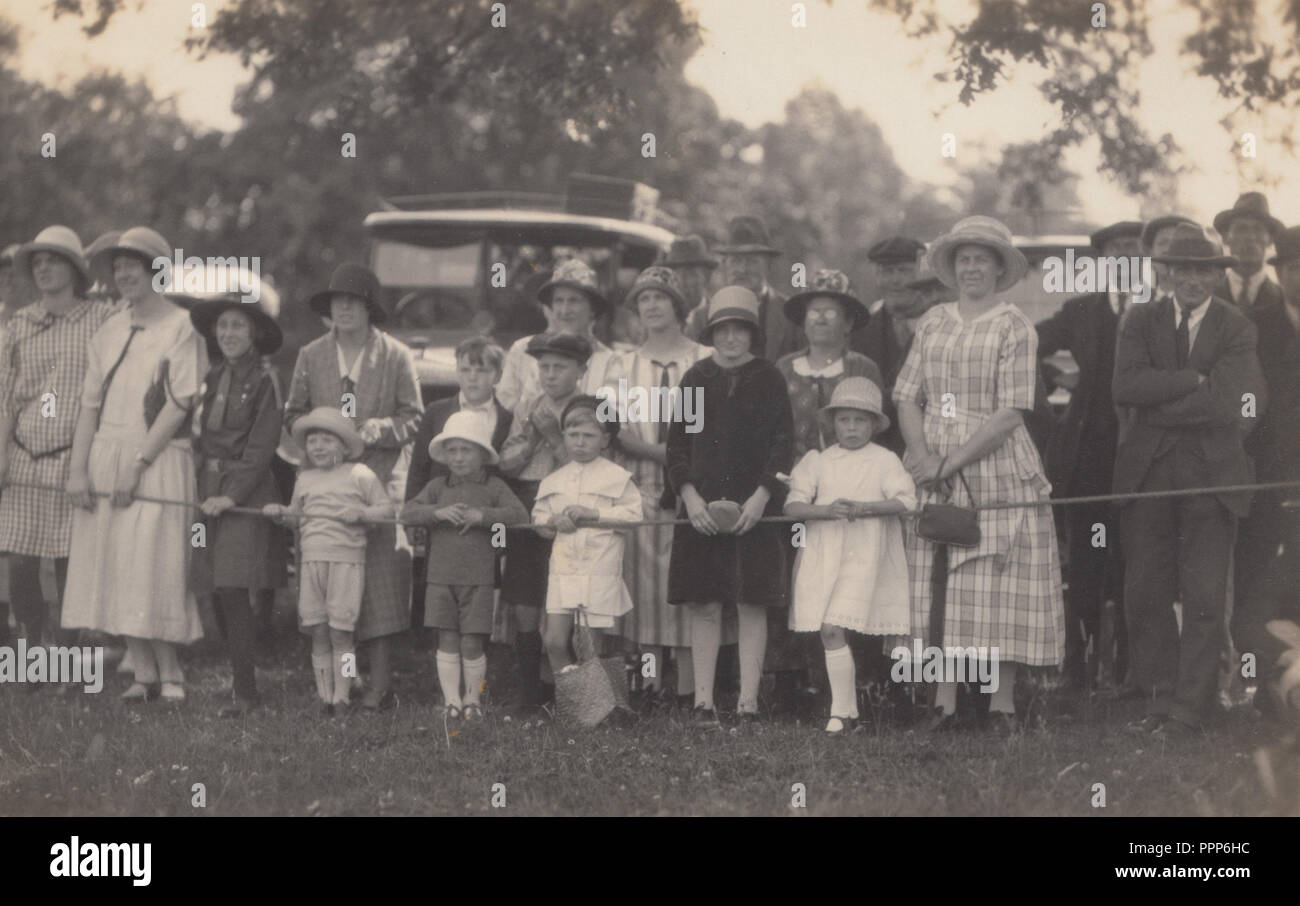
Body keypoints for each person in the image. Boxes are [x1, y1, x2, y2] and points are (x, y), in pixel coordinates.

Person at [894, 215, 1065, 733]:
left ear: (997, 268)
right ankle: (944, 703)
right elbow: (905, 395)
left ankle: (1002, 705)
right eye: (963, 259)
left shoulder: (1014, 325)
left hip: (993, 458)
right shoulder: (934, 321)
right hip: (932, 459)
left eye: (981, 260)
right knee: (937, 573)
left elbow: (1012, 411)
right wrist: (923, 456)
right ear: (953, 267)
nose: (971, 268)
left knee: (997, 579)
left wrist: (952, 461)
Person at [1112, 231, 1263, 737]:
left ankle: (1192, 709)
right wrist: (1192, 381)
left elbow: (1231, 402)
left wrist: (1161, 403)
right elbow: (1125, 386)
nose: (1193, 279)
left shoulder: (1237, 325)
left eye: (1204, 270)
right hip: (1148, 474)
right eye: (1183, 269)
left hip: (1212, 476)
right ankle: (1158, 700)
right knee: (1146, 591)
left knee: (1202, 595)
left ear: (1218, 275)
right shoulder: (1141, 319)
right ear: (1167, 272)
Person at [62, 226, 208, 702]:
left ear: (158, 272)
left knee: (155, 560)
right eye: (118, 266)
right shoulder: (108, 329)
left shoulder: (184, 327)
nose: (124, 274)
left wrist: (138, 463)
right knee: (116, 562)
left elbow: (180, 402)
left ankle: (172, 673)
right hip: (107, 450)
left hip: (159, 456)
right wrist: (78, 470)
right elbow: (89, 406)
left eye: (135, 266)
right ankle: (142, 670)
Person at [285, 262, 423, 710]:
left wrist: (380, 428)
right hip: (327, 488)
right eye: (335, 302)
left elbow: (414, 417)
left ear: (369, 309)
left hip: (379, 481)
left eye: (353, 301)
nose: (342, 309)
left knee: (380, 585)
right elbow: (292, 416)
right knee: (328, 588)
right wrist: (323, 434)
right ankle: (345, 682)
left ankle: (380, 685)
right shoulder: (311, 355)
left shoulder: (396, 355)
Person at [667, 286, 794, 726]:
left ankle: (748, 703)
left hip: (753, 511)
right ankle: (703, 702)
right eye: (723, 330)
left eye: (740, 330)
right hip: (700, 509)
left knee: (751, 603)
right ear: (712, 334)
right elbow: (677, 446)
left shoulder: (769, 378)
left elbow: (782, 446)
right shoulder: (695, 379)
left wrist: (762, 497)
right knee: (704, 604)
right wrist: (690, 498)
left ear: (752, 335)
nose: (731, 339)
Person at [1035, 220, 1142, 690]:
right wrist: (1060, 381)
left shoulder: (1161, 311)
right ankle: (1077, 667)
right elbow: (1023, 341)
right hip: (1090, 463)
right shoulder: (1079, 311)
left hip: (1143, 460)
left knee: (1134, 564)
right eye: (1115, 251)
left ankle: (1128, 670)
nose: (1123, 258)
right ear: (1102, 260)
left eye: (1133, 251)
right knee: (1086, 564)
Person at [0, 227, 117, 654]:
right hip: (24, 457)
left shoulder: (100, 319)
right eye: (37, 262)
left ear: (75, 269)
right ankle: (31, 649)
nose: (44, 268)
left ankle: (68, 655)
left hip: (74, 459)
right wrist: (1, 458)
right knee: (22, 565)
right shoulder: (19, 324)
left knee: (71, 565)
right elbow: (5, 397)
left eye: (54, 260)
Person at [599, 266, 712, 706]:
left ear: (679, 307)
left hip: (694, 489)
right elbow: (615, 431)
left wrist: (684, 465)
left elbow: (709, 430)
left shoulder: (703, 359)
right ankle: (649, 682)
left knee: (687, 584)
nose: (651, 306)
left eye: (660, 298)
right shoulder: (622, 364)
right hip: (642, 486)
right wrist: (661, 456)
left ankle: (687, 687)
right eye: (643, 299)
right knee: (644, 589)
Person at [783, 377, 915, 735]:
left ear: (873, 424)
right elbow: (793, 505)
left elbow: (906, 501)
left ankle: (843, 712)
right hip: (825, 556)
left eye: (861, 420)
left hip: (865, 557)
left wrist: (867, 507)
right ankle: (848, 712)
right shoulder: (818, 461)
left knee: (833, 628)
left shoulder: (885, 460)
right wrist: (827, 511)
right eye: (845, 420)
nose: (852, 428)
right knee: (829, 631)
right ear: (833, 422)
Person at [189, 291, 286, 716]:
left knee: (233, 584)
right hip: (208, 488)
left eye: (238, 326)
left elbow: (262, 446)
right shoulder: (211, 377)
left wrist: (231, 494)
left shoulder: (265, 381)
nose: (228, 334)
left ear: (255, 334)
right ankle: (238, 677)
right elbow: (198, 436)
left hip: (244, 492)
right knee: (214, 582)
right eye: (223, 326)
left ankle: (246, 691)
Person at [401, 411, 527, 720]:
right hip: (440, 577)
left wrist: (482, 516)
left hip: (479, 578)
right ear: (444, 456)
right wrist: (437, 513)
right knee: (447, 637)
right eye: (452, 451)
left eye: (466, 450)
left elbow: (520, 515)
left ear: (483, 455)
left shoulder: (494, 487)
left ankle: (473, 701)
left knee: (472, 640)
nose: (458, 458)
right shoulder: (437, 487)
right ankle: (451, 701)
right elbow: (407, 512)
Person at [265, 408, 393, 714]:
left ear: (345, 446)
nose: (318, 447)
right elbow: (296, 517)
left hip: (346, 563)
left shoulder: (360, 474)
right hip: (311, 563)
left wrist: (362, 514)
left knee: (341, 632)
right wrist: (281, 514)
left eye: (327, 440)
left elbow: (387, 510)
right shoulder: (305, 478)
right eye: (312, 441)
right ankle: (325, 696)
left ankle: (343, 697)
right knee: (319, 630)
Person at [499, 331, 593, 711]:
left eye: (560, 367)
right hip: (527, 498)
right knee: (525, 596)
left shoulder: (590, 408)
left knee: (568, 599)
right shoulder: (527, 403)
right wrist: (529, 438)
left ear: (581, 370)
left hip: (572, 504)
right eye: (544, 367)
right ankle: (529, 692)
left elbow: (590, 465)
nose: (550, 375)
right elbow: (505, 461)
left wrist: (554, 435)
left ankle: (573, 693)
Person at [1232, 224, 1300, 719]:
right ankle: (1261, 689)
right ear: (1281, 272)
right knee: (1259, 586)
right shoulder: (1255, 326)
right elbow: (1247, 406)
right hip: (1269, 481)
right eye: (1295, 268)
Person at [404, 336, 511, 628]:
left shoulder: (508, 418)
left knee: (484, 577)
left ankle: (479, 640)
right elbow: (419, 466)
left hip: (484, 514)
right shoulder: (437, 411)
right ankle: (436, 641)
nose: (473, 377)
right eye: (465, 370)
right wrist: (413, 518)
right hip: (442, 509)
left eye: (483, 370)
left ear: (498, 375)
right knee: (438, 579)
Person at [533, 396, 641, 673]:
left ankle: (594, 709)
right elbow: (539, 520)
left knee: (588, 645)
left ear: (605, 440)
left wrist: (594, 515)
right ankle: (574, 700)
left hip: (598, 568)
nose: (579, 443)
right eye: (573, 435)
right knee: (554, 641)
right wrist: (552, 521)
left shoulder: (618, 477)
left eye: (588, 436)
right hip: (563, 569)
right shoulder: (553, 480)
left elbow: (633, 518)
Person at [776, 268, 882, 461]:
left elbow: (874, 429)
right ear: (804, 322)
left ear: (848, 323)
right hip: (791, 475)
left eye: (831, 312)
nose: (821, 319)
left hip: (849, 473)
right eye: (814, 312)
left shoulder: (864, 369)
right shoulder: (784, 368)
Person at [853, 250, 952, 456]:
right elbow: (899, 394)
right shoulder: (921, 338)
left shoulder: (986, 336)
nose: (934, 299)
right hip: (914, 449)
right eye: (927, 293)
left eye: (940, 289)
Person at [495, 259, 613, 413]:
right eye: (558, 301)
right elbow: (510, 407)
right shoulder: (527, 352)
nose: (565, 310)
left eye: (574, 301)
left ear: (592, 309)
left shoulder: (611, 362)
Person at [685, 215, 799, 361]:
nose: (743, 269)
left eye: (752, 261)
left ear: (768, 265)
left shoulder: (791, 316)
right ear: (725, 265)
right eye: (736, 261)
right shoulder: (702, 319)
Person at [1212, 192, 1285, 312]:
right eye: (1241, 229)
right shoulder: (1208, 296)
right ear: (1225, 238)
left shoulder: (1285, 300)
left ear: (1270, 240)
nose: (1250, 237)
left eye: (1258, 229)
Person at [664, 235, 718, 328]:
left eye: (690, 274)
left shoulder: (717, 317)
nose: (681, 282)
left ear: (706, 277)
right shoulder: (661, 320)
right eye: (675, 275)